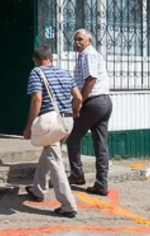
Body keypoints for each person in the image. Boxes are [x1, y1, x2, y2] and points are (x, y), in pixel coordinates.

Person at [23, 46, 83, 219]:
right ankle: (37, 190)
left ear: (35, 59)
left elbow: (37, 99)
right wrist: (76, 110)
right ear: (51, 57)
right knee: (49, 153)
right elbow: (78, 97)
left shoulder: (37, 73)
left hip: (51, 124)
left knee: (55, 160)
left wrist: (29, 126)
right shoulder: (65, 73)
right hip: (67, 122)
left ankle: (68, 205)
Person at [67, 28, 114, 196]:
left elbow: (91, 79)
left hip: (94, 102)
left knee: (73, 136)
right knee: (100, 144)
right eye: (75, 39)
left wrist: (79, 101)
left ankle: (77, 174)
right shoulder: (87, 55)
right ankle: (101, 183)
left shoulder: (88, 54)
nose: (77, 42)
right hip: (104, 102)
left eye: (80, 39)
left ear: (89, 40)